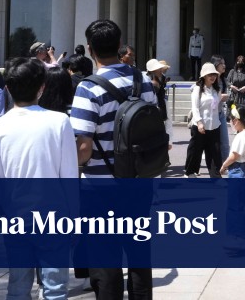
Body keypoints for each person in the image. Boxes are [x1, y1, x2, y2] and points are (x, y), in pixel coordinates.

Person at [70, 19, 160, 299]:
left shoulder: (88, 88)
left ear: (90, 49)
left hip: (100, 187)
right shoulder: (142, 79)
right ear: (120, 46)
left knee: (104, 258)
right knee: (138, 254)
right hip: (137, 180)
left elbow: (83, 146)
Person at [0, 57, 77, 300]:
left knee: (18, 285)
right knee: (55, 288)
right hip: (54, 215)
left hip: (14, 214)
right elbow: (69, 176)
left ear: (8, 88)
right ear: (42, 87)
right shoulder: (59, 122)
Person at [186, 62, 226, 177]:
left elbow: (216, 105)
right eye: (210, 75)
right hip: (200, 126)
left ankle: (216, 176)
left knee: (214, 153)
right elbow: (195, 107)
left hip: (214, 125)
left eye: (214, 74)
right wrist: (199, 122)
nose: (212, 77)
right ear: (204, 76)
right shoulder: (197, 89)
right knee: (195, 151)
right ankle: (190, 172)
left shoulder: (216, 89)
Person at [219, 101, 245, 179]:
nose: (231, 122)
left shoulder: (241, 136)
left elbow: (234, 156)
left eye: (231, 120)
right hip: (244, 170)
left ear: (236, 121)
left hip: (238, 170)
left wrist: (224, 165)